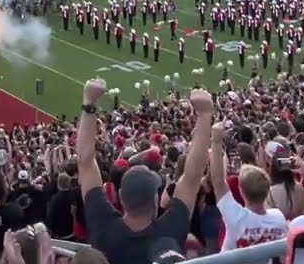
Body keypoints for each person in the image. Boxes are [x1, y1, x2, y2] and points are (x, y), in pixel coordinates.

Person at [77, 78, 214, 264]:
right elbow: (193, 175)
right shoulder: (169, 232)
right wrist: (205, 115)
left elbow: (85, 162)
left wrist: (89, 103)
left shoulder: (102, 225)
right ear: (156, 200)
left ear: (120, 197)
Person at [208, 122, 288, 250]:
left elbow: (218, 181)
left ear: (241, 190)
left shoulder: (235, 217)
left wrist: (216, 141)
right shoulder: (279, 219)